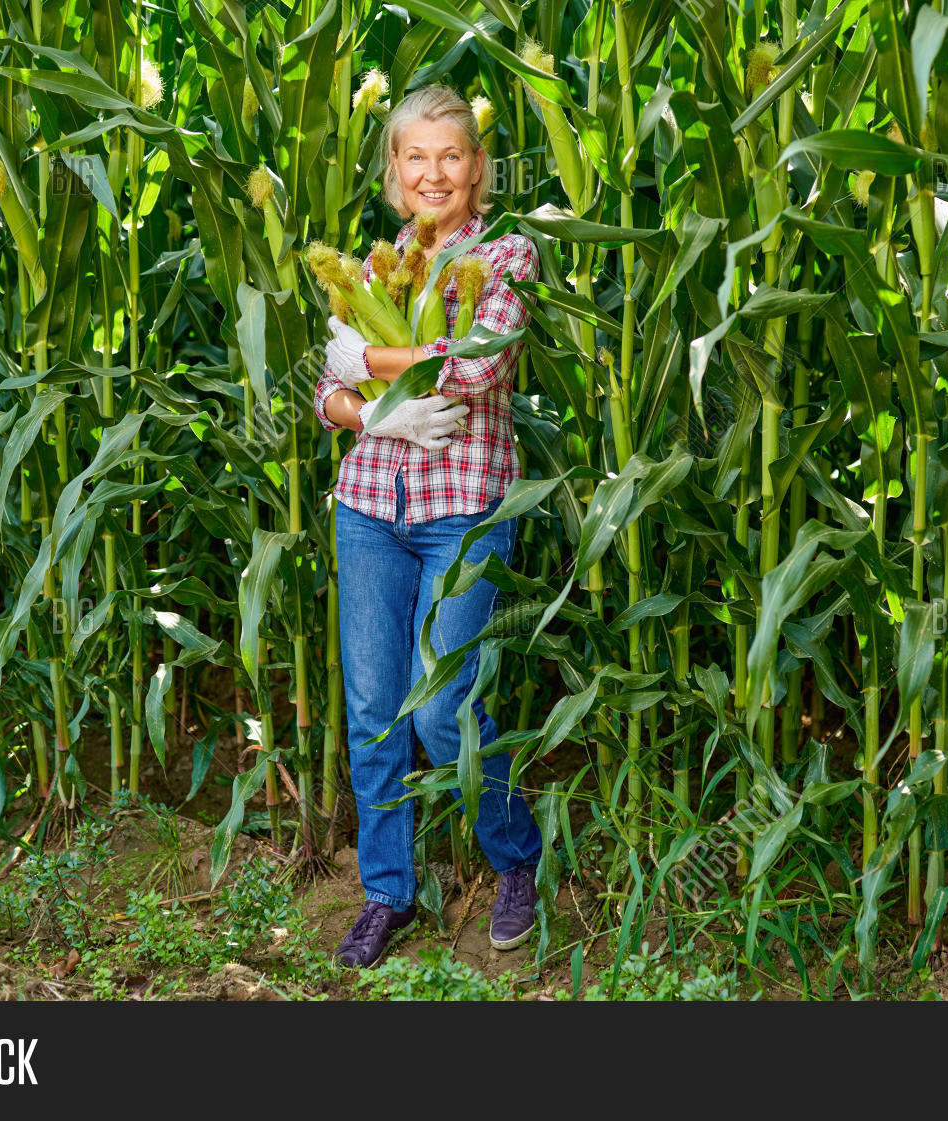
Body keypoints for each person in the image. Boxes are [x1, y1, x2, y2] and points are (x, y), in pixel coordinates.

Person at [313, 84, 544, 969]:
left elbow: (476, 365)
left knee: (445, 707)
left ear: (477, 169)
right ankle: (386, 893)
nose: (434, 172)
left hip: (464, 511)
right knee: (375, 712)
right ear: (395, 173)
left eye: (451, 155)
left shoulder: (507, 252)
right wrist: (365, 414)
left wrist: (366, 364)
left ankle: (515, 858)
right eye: (417, 157)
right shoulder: (377, 268)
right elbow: (320, 394)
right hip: (371, 505)